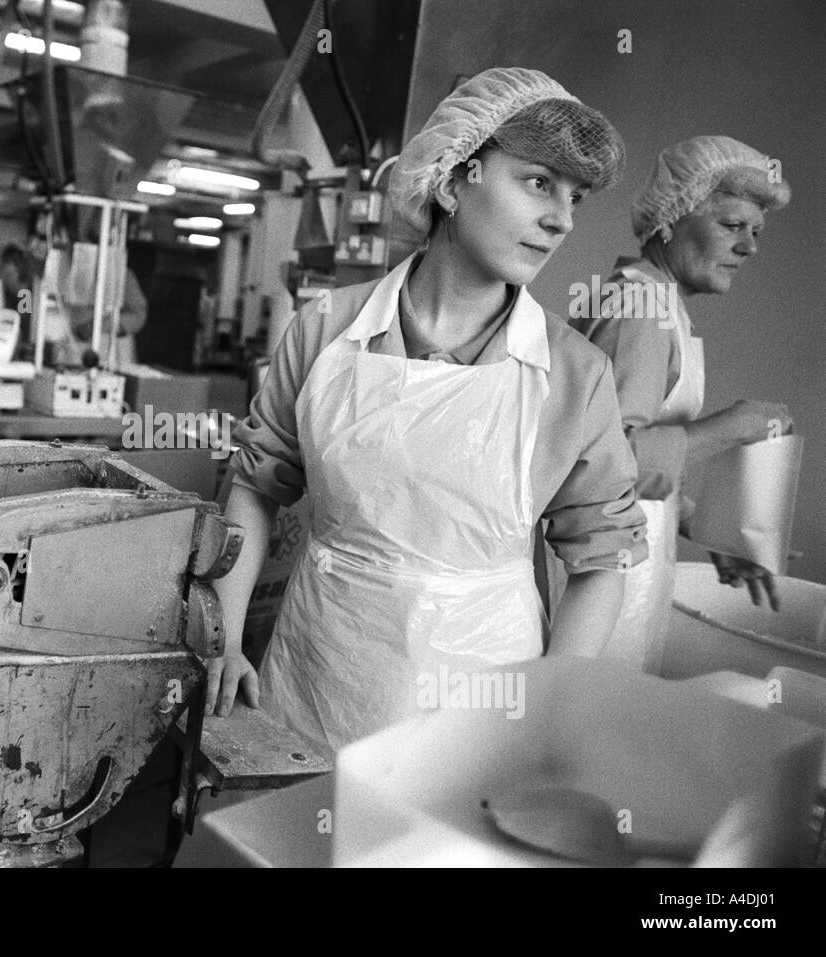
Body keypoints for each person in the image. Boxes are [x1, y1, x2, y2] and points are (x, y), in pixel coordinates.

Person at [208, 68, 648, 754]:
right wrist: (226, 640)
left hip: (481, 707)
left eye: (576, 197)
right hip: (319, 677)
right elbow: (255, 485)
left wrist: (547, 709)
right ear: (451, 178)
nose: (562, 218)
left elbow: (602, 560)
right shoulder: (327, 329)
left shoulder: (572, 375)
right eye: (538, 182)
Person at [570, 135, 792, 671]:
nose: (750, 247)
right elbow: (601, 464)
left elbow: (635, 459)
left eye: (756, 232)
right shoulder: (642, 308)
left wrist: (708, 527)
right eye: (732, 225)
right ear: (668, 220)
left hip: (628, 556)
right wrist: (731, 427)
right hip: (605, 571)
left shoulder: (656, 301)